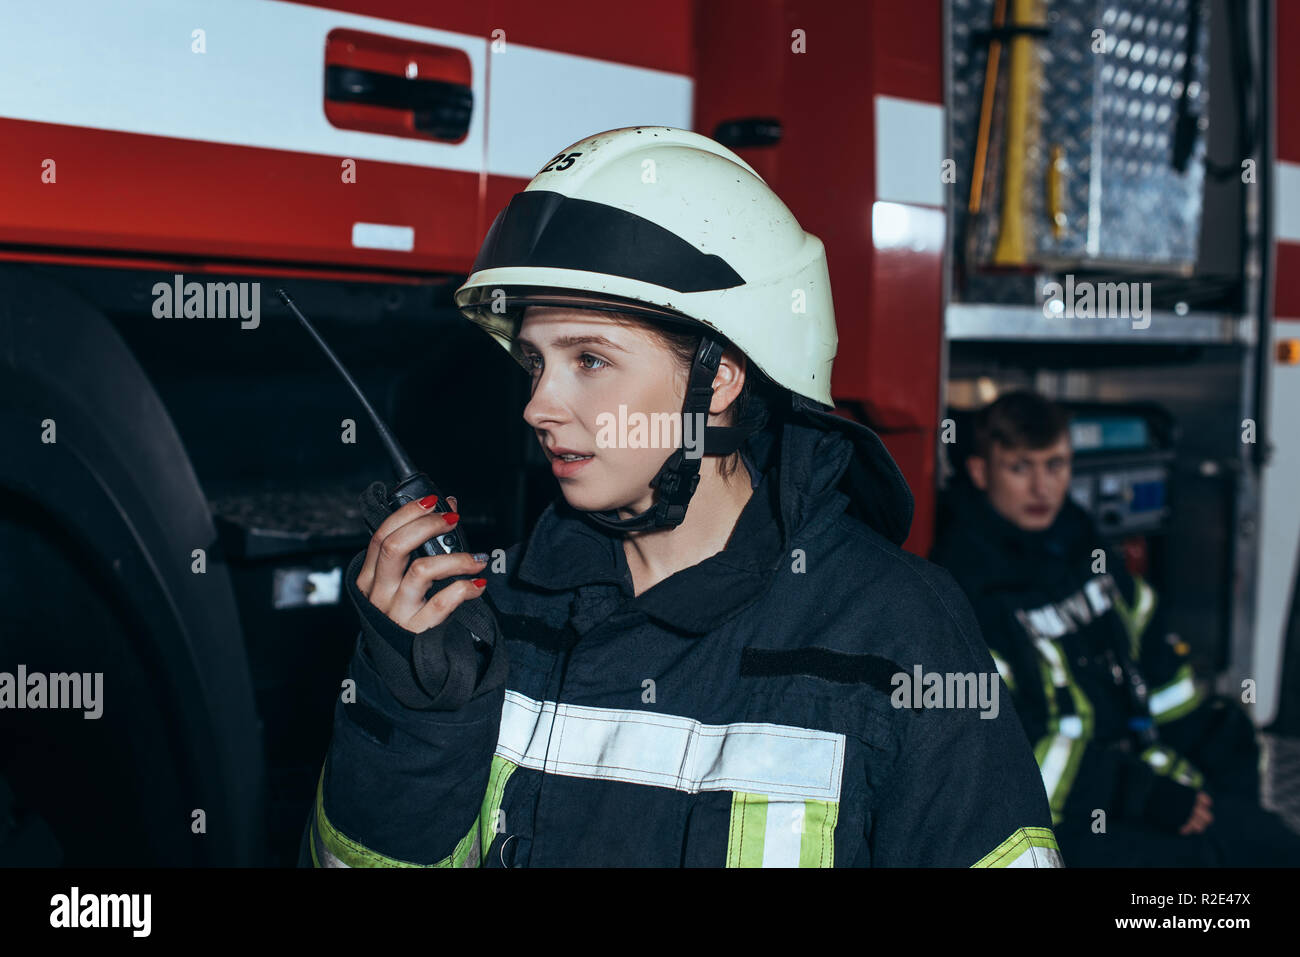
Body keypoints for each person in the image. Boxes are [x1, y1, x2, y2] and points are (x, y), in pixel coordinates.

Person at [299, 127, 1061, 868]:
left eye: (590, 359)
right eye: (534, 362)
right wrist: (409, 718)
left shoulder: (895, 629)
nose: (538, 406)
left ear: (719, 377)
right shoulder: (497, 614)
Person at [931, 389, 1300, 866]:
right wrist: (1134, 791)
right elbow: (994, 752)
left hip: (1142, 780)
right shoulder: (963, 588)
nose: (1042, 488)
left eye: (1056, 465)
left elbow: (1157, 669)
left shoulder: (1086, 548)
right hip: (1059, 817)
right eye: (1020, 468)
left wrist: (1211, 739)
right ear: (981, 472)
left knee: (1272, 846)